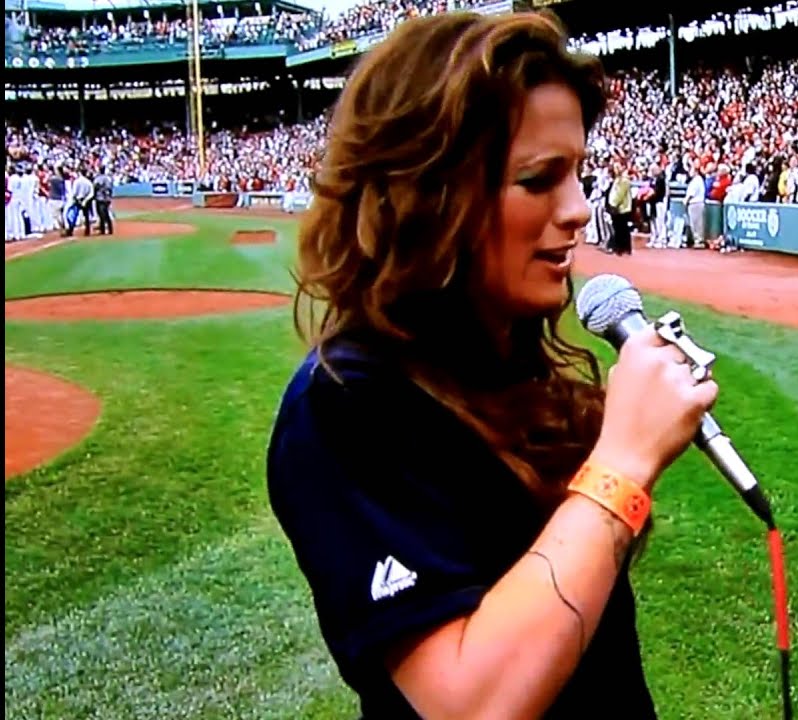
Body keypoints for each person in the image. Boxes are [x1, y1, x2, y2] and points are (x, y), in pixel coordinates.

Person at [265, 13, 718, 719]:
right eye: (539, 179)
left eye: (578, 175)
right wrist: (623, 465)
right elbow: (469, 704)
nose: (578, 212)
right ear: (428, 193)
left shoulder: (505, 359)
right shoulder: (347, 400)